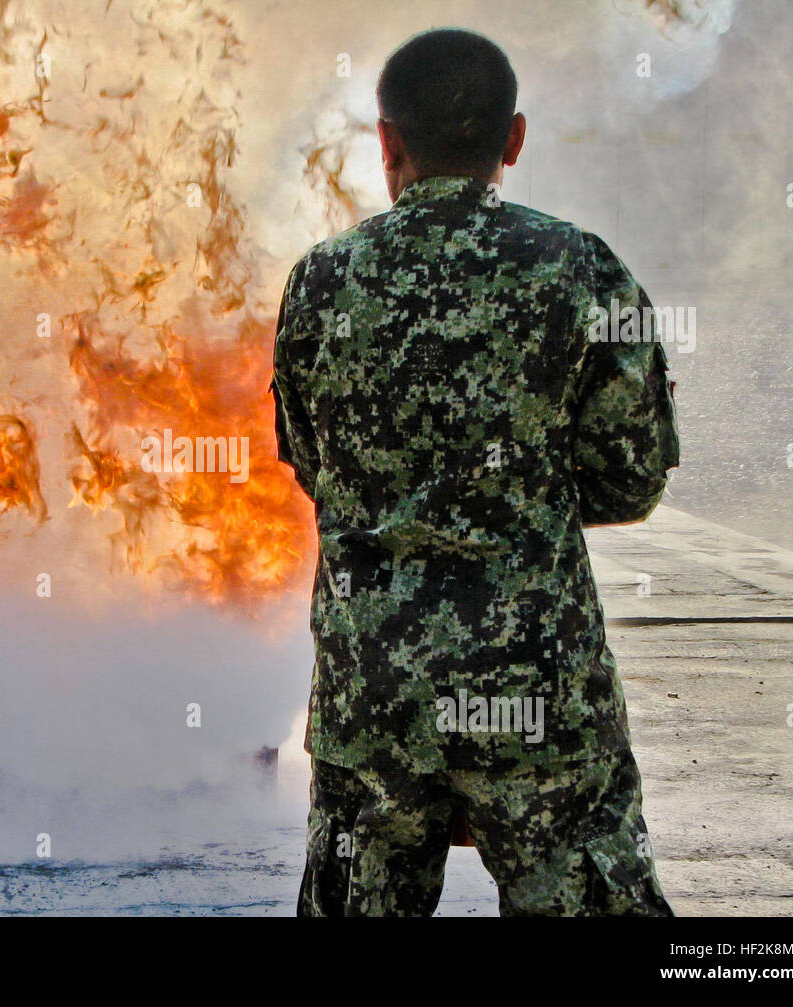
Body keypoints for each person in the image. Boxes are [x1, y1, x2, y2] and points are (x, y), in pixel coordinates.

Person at [271, 27, 680, 916]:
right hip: (537, 698)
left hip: (372, 698)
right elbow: (633, 475)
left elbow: (313, 462)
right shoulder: (580, 271)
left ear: (386, 144)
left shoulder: (322, 282)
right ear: (514, 140)